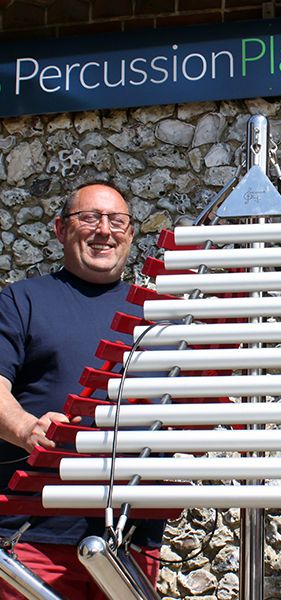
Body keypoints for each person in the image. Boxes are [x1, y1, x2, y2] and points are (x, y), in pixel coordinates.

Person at [0, 183, 163, 599]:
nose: (104, 230)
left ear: (130, 234)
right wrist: (25, 428)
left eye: (117, 221)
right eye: (89, 218)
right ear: (60, 230)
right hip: (37, 535)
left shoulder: (160, 313)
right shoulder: (21, 301)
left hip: (134, 539)